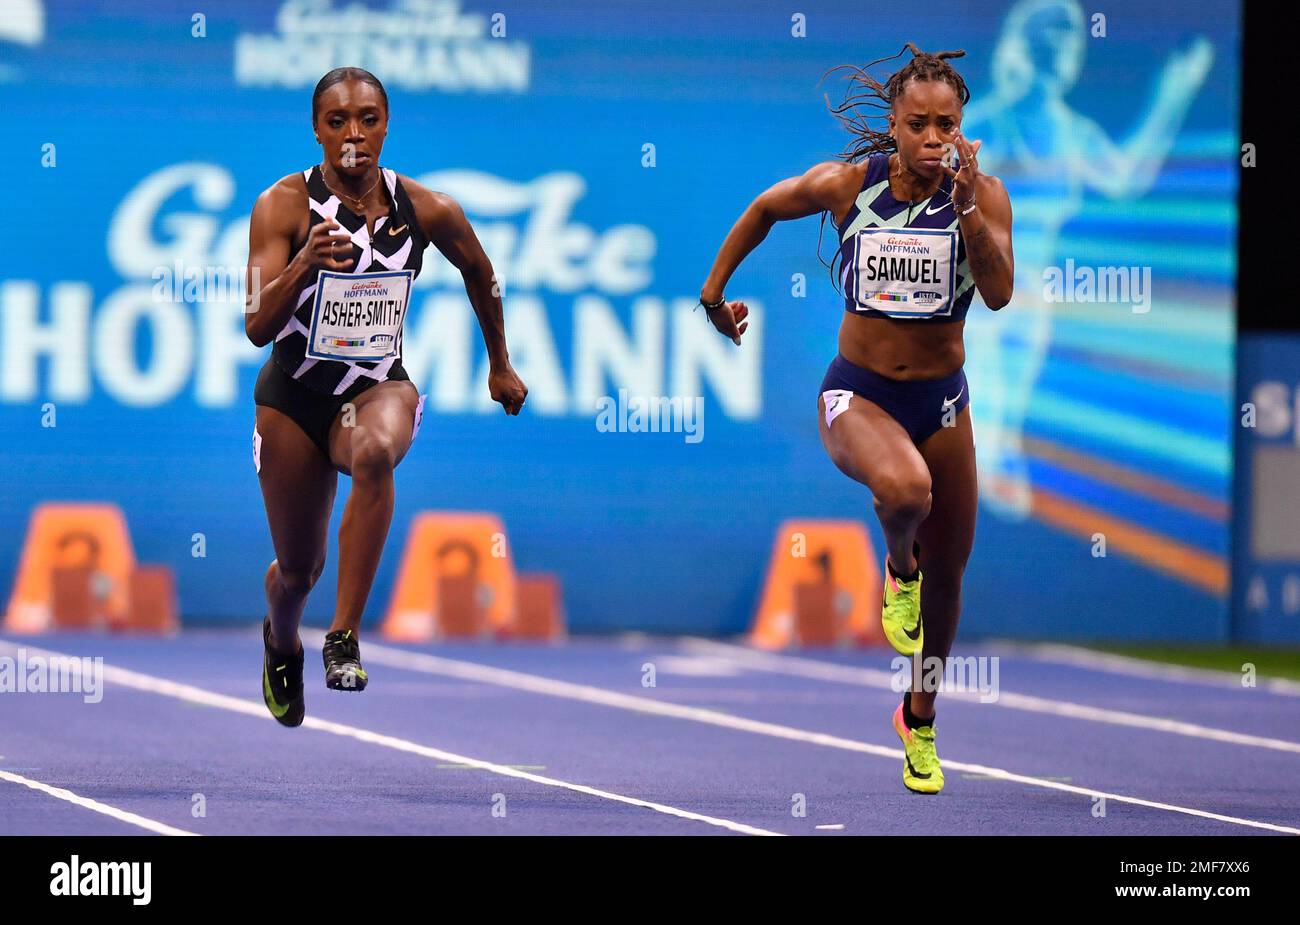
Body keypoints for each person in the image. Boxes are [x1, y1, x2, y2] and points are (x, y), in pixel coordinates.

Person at [698, 45, 1014, 793]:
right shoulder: (850, 187)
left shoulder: (985, 196)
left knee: (952, 575)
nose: (935, 138)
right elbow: (765, 209)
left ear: (963, 128)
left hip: (942, 403)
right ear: (895, 126)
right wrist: (715, 296)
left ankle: (921, 716)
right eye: (919, 124)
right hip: (858, 396)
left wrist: (967, 206)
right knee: (906, 492)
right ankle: (896, 566)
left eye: (948, 124)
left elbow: (998, 292)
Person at [244, 67, 527, 727]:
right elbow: (257, 324)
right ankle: (281, 640)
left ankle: (343, 635)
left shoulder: (425, 208)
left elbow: (482, 273)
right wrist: (305, 262)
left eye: (367, 119)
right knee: (296, 570)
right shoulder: (283, 206)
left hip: (379, 384)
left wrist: (501, 365)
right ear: (316, 129)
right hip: (292, 394)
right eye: (337, 121)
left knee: (373, 453)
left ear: (385, 125)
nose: (353, 135)